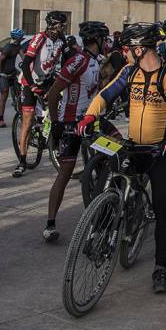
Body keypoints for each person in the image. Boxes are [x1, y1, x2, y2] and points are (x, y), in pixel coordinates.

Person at [78, 22, 166, 294]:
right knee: (105, 183)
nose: (123, 53)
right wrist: (89, 115)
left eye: (127, 48)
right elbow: (104, 96)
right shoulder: (129, 72)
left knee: (164, 210)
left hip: (160, 152)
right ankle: (100, 233)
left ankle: (160, 268)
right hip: (133, 146)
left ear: (140, 49)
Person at [41, 21, 108, 242]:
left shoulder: (97, 62)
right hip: (69, 123)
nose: (106, 43)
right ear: (96, 39)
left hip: (89, 121)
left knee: (104, 163)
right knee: (66, 172)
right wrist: (56, 123)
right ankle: (50, 223)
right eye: (104, 39)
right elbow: (53, 94)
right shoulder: (78, 61)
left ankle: (99, 217)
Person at [14, 11, 68, 178]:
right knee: (28, 120)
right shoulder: (40, 38)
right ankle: (22, 161)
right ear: (52, 24)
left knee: (59, 112)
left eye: (63, 25)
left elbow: (66, 61)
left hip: (47, 80)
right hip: (29, 81)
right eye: (60, 25)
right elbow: (26, 64)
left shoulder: (61, 41)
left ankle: (53, 142)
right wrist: (31, 86)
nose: (62, 28)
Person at [0, 28, 24, 128]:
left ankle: (21, 115)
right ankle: (1, 119)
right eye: (20, 38)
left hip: (12, 72)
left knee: (21, 93)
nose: (21, 40)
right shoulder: (8, 48)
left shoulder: (18, 47)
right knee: (4, 95)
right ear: (17, 38)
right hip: (4, 74)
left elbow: (23, 57)